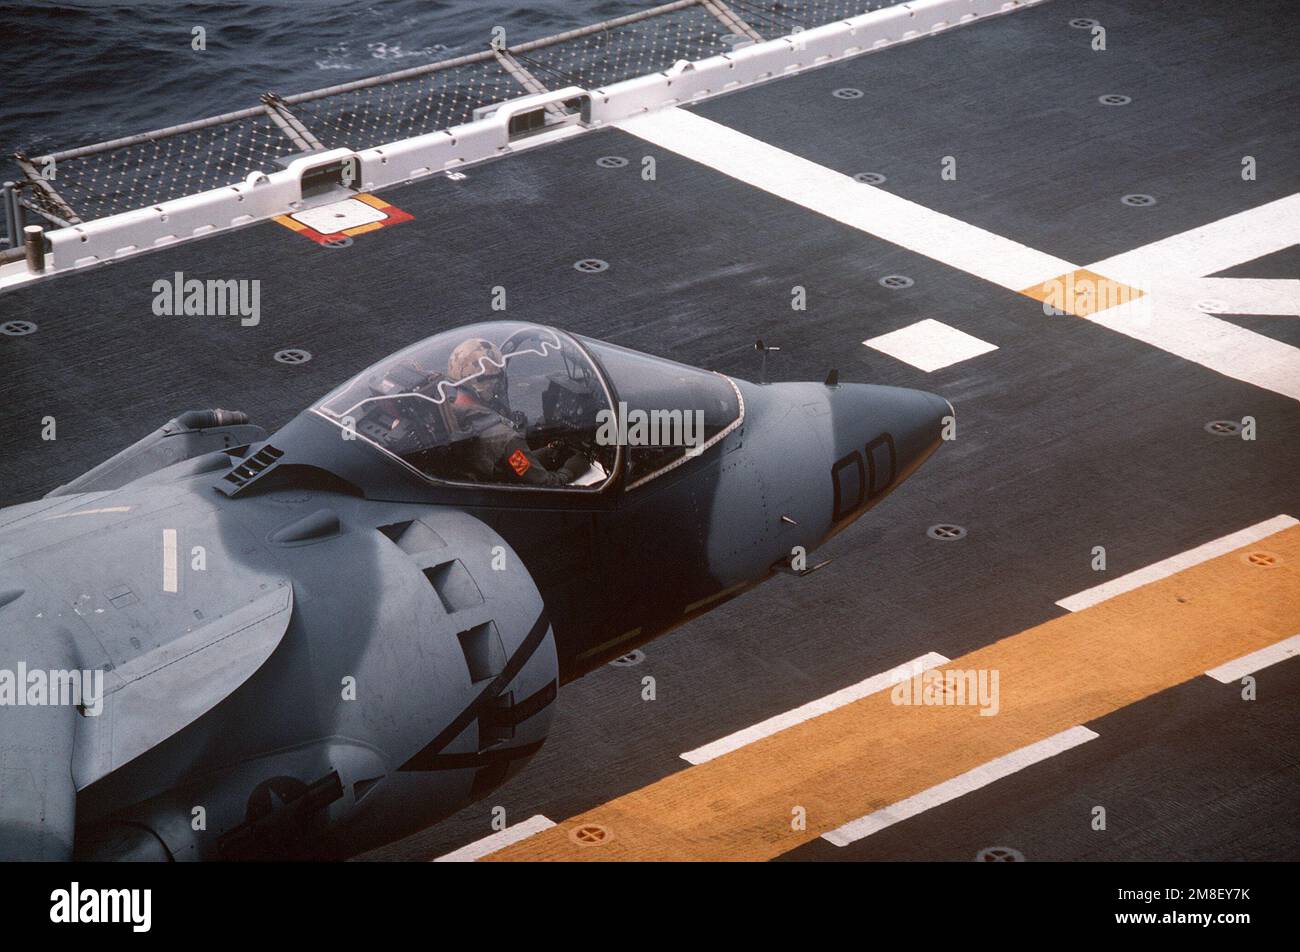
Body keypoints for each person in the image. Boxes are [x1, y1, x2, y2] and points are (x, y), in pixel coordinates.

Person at [447, 337, 587, 486]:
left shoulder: (451, 415)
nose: (498, 385)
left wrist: (549, 452)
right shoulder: (505, 438)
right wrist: (571, 470)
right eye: (497, 379)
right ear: (485, 383)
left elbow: (513, 464)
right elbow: (544, 485)